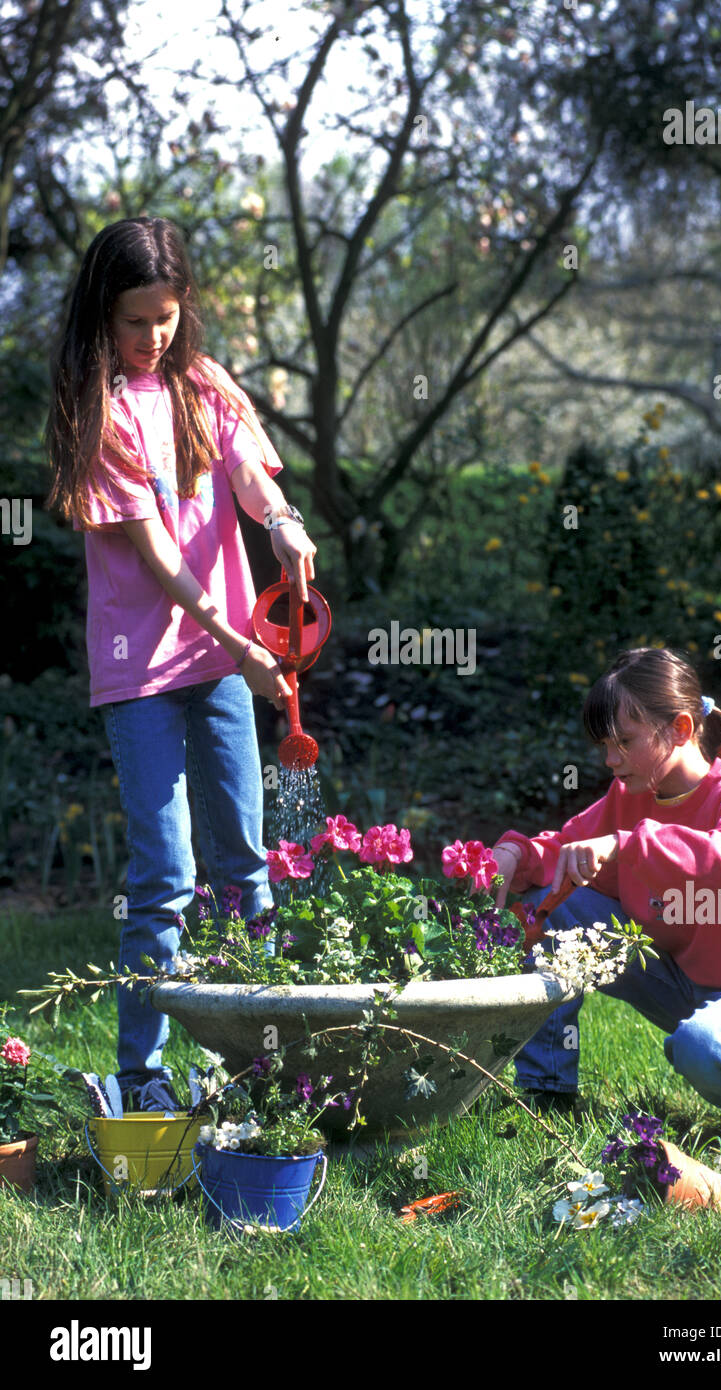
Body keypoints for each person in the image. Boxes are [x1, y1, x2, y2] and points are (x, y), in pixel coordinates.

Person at [46, 216, 317, 1110]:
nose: (153, 337)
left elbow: (249, 474)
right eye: (134, 322)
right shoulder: (100, 416)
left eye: (165, 316)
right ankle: (145, 1078)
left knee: (244, 864)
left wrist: (281, 521)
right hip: (145, 673)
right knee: (165, 879)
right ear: (102, 318)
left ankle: (261, 1065)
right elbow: (162, 561)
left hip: (222, 663)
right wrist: (241, 644)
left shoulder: (202, 385)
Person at [492, 647, 721, 1131]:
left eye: (624, 742)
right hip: (682, 984)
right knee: (551, 910)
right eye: (605, 745)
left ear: (682, 729)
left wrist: (626, 846)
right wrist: (513, 855)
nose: (610, 760)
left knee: (702, 1045)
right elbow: (564, 849)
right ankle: (546, 1090)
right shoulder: (629, 796)